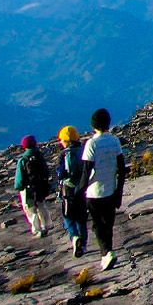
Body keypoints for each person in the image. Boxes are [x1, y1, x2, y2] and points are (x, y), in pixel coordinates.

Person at [80, 107, 126, 270]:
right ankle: (108, 251)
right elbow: (122, 168)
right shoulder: (114, 141)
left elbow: (86, 171)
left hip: (94, 192)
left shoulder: (91, 144)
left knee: (98, 225)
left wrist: (79, 191)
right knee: (108, 224)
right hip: (111, 189)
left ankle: (106, 253)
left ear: (93, 125)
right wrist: (119, 191)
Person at [55, 125, 88, 258]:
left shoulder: (64, 154)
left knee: (68, 216)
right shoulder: (83, 150)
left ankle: (74, 237)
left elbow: (61, 174)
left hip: (68, 189)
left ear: (66, 141)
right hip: (82, 188)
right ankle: (83, 244)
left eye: (61, 140)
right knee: (81, 218)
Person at [13, 134, 52, 238]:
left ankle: (37, 229)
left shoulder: (23, 160)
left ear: (24, 146)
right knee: (41, 206)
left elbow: (19, 178)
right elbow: (46, 172)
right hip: (40, 187)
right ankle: (46, 225)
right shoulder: (39, 157)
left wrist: (18, 186)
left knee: (30, 210)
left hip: (28, 189)